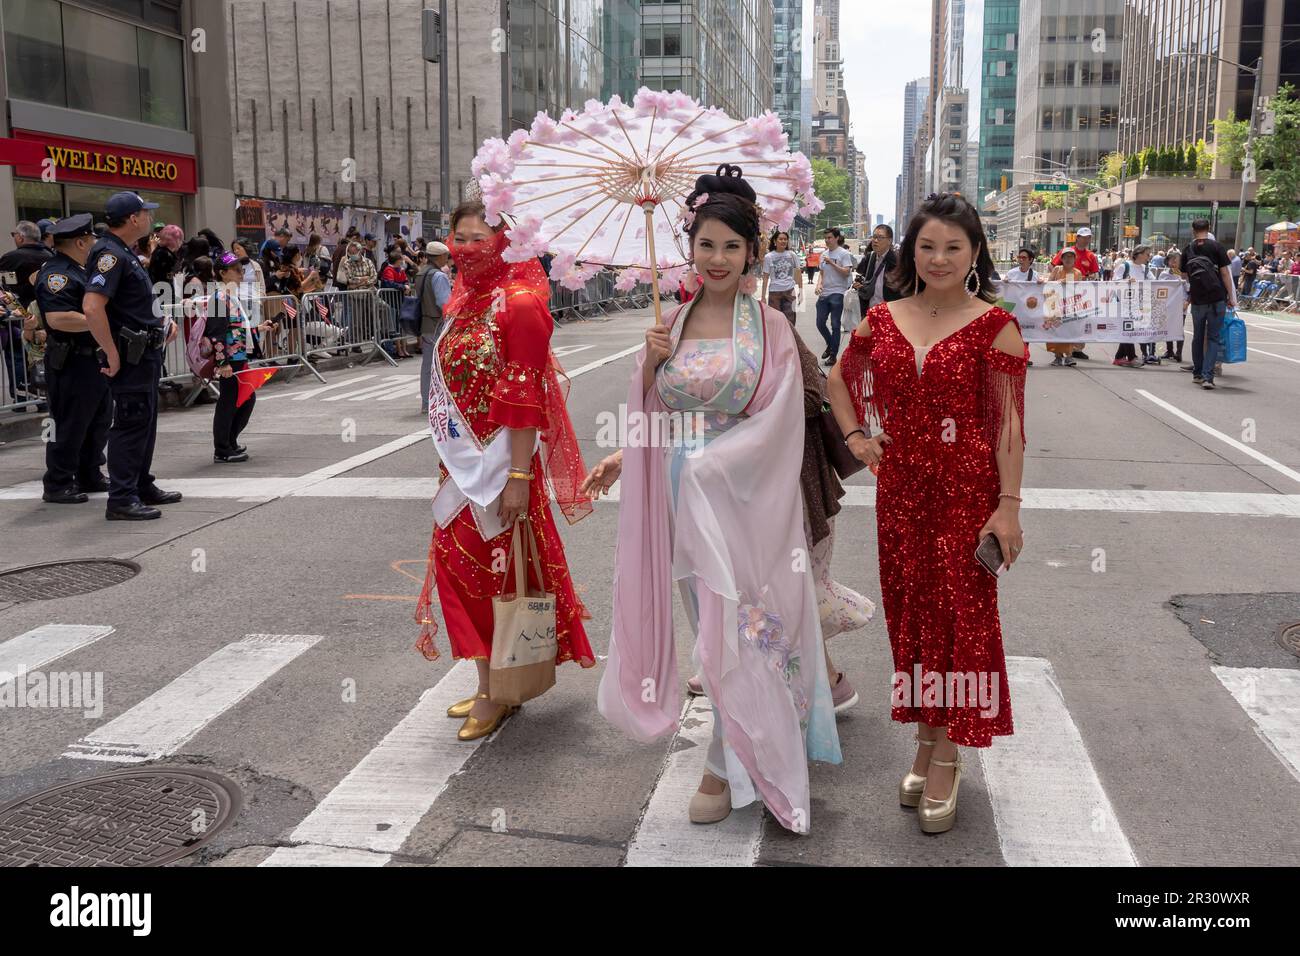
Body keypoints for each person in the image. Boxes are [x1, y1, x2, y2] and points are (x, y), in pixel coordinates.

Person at [598, 165, 841, 831]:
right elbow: (657, 418)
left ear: (753, 253)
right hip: (682, 501)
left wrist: (712, 468)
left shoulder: (770, 329)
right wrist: (646, 378)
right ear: (689, 247)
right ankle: (727, 746)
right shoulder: (668, 324)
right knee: (709, 633)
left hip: (747, 501)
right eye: (707, 244)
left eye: (733, 246)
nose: (718, 258)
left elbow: (781, 423)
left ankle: (731, 754)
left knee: (750, 628)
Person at [828, 191, 1026, 835]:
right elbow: (838, 378)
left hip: (967, 494)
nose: (939, 258)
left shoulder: (996, 324)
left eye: (954, 247)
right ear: (910, 252)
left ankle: (948, 753)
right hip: (902, 490)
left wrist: (1008, 507)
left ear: (975, 253)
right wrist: (858, 437)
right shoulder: (883, 318)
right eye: (927, 246)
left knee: (959, 622)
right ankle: (923, 740)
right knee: (912, 615)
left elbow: (1010, 428)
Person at [414, 201, 595, 741]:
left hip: (503, 471)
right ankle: (489, 680)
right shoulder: (465, 302)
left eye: (478, 239)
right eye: (459, 237)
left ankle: (500, 690)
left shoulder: (519, 305)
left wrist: (517, 477)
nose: (465, 249)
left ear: (506, 244)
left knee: (494, 577)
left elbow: (524, 396)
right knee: (460, 575)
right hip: (462, 467)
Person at [81, 192, 183, 521]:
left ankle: (140, 483)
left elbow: (137, 302)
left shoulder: (124, 252)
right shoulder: (109, 254)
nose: (150, 218)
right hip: (129, 355)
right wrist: (110, 352)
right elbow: (92, 306)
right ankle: (122, 498)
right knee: (130, 423)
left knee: (145, 422)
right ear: (133, 219)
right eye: (145, 213)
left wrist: (162, 322)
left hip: (145, 352)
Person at [33, 214, 112, 504]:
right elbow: (58, 318)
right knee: (68, 423)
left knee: (99, 418)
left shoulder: (80, 269)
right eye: (91, 239)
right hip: (72, 361)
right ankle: (58, 482)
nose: (94, 243)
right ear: (80, 241)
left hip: (92, 359)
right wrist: (102, 322)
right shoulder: (58, 275)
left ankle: (89, 472)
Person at [206, 251, 270, 463]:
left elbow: (236, 328)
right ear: (223, 273)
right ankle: (222, 449)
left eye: (242, 269)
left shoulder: (231, 297)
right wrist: (222, 362)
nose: (241, 273)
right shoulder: (218, 298)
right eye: (236, 270)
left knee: (244, 399)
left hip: (239, 357)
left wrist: (258, 329)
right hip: (230, 361)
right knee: (230, 402)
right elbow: (215, 333)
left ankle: (230, 442)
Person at [1179, 217, 1234, 390]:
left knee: (1198, 336)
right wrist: (1231, 296)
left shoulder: (1188, 249)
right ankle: (1208, 377)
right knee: (1213, 337)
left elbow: (1183, 275)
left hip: (1198, 299)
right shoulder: (1217, 247)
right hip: (1217, 298)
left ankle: (1197, 373)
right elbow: (1225, 274)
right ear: (1209, 228)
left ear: (1193, 229)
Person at [416, 241, 452, 415]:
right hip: (437, 324)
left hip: (425, 322)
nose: (447, 258)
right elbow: (444, 303)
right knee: (438, 365)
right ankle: (435, 401)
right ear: (440, 256)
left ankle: (426, 401)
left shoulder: (421, 273)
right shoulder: (438, 276)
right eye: (446, 255)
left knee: (427, 365)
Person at [1051, 226, 1099, 359]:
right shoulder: (1067, 251)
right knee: (1062, 321)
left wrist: (1086, 278)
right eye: (1083, 237)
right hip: (1062, 294)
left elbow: (1095, 273)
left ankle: (1077, 348)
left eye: (1088, 237)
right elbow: (1052, 265)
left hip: (1081, 293)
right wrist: (1057, 276)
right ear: (1077, 237)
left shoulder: (1091, 256)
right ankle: (1060, 352)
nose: (1086, 240)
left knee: (1079, 320)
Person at [815, 227, 856, 366]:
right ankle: (830, 344)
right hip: (824, 293)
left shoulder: (844, 254)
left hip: (838, 292)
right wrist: (818, 285)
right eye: (826, 238)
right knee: (820, 322)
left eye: (830, 237)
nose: (827, 240)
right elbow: (821, 273)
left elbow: (846, 272)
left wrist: (832, 263)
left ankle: (833, 355)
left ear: (837, 238)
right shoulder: (823, 254)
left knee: (835, 324)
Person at [1112, 245, 1154, 367]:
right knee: (1128, 329)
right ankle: (1132, 357)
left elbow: (1155, 281)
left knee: (1130, 330)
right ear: (1139, 254)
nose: (1149, 256)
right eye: (1147, 254)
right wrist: (1126, 281)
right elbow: (1114, 281)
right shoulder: (1125, 266)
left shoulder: (1145, 269)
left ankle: (1119, 357)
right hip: (1123, 304)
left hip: (1137, 305)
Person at [854, 224, 901, 319]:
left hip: (889, 312)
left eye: (880, 237)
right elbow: (862, 276)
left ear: (890, 240)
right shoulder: (870, 257)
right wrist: (859, 285)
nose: (875, 240)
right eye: (874, 237)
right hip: (869, 310)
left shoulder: (897, 261)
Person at [1, 221, 54, 306]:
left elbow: (6, 286)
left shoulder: (11, 258)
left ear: (20, 237)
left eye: (13, 234)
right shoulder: (51, 257)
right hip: (48, 307)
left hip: (21, 310)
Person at [1046, 249, 1084, 366]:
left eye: (1071, 257)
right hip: (1055, 305)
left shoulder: (1077, 272)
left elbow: (1078, 289)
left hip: (1070, 307)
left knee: (1070, 331)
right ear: (1061, 259)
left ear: (1074, 259)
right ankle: (1057, 357)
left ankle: (1069, 357)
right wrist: (1058, 282)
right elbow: (1048, 284)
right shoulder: (1057, 269)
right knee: (1056, 331)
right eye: (1065, 257)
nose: (1068, 259)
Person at [760, 230, 802, 324]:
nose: (783, 241)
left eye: (785, 239)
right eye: (781, 239)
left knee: (790, 321)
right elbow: (766, 277)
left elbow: (798, 273)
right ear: (775, 241)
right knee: (776, 322)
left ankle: (790, 338)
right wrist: (763, 297)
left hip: (789, 292)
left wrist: (801, 291)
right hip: (774, 293)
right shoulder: (769, 257)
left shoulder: (792, 255)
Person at [379, 248, 413, 357]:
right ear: (396, 260)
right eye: (400, 259)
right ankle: (398, 349)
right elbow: (390, 283)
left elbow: (405, 280)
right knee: (394, 326)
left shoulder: (401, 270)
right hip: (390, 301)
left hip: (399, 300)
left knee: (402, 325)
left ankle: (404, 348)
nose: (402, 261)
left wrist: (406, 285)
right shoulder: (388, 270)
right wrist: (403, 287)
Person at [1158, 249, 1188, 362]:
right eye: (1172, 261)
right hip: (1168, 305)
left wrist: (1187, 302)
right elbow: (1160, 288)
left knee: (1179, 329)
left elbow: (1189, 289)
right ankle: (1169, 350)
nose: (1174, 263)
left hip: (1181, 305)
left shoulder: (1183, 274)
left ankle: (1179, 353)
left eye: (1177, 261)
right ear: (1168, 261)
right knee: (1167, 327)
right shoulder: (1164, 274)